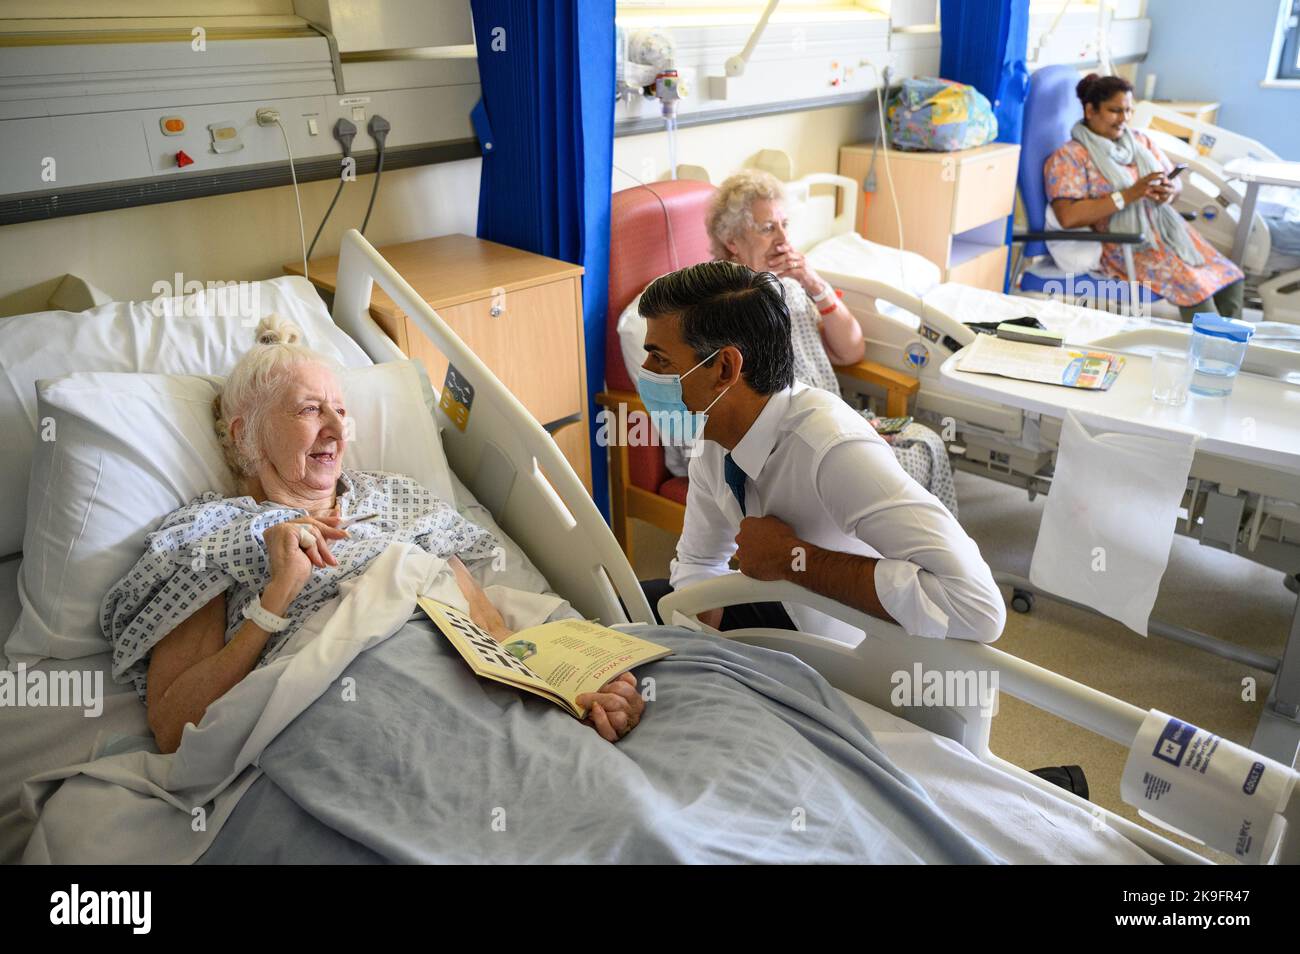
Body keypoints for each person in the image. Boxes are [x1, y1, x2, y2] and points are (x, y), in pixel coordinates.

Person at [104, 315, 642, 753]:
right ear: (247, 432)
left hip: (472, 698)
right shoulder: (211, 534)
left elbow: (492, 634)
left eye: (341, 410)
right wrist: (275, 599)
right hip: (348, 717)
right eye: (310, 410)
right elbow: (175, 728)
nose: (338, 430)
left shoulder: (396, 498)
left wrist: (572, 693)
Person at [634, 261, 1004, 645]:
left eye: (660, 360)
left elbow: (978, 607)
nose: (645, 372)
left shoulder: (834, 451)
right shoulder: (712, 433)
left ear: (725, 368)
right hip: (783, 605)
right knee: (626, 608)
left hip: (858, 653)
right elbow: (700, 562)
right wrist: (696, 643)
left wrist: (795, 559)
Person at [617, 169, 959, 514]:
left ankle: (910, 554)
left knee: (925, 443)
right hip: (779, 441)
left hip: (825, 420)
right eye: (768, 228)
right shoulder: (722, 307)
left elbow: (850, 350)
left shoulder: (789, 286)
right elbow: (737, 403)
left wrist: (812, 282)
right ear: (733, 241)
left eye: (784, 225)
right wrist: (837, 433)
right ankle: (890, 555)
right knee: (889, 474)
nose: (783, 239)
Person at [1046, 73, 1245, 322]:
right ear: (1090, 110)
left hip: (1167, 234)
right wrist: (1129, 194)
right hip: (1123, 244)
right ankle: (1211, 353)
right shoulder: (1070, 157)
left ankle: (1231, 349)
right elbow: (1068, 216)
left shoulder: (1140, 142)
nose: (1124, 119)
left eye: (1128, 111)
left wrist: (1170, 192)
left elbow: (1174, 183)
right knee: (1196, 287)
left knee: (1231, 277)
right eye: (1115, 111)